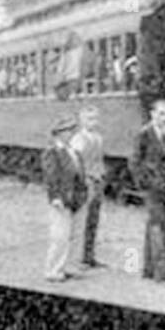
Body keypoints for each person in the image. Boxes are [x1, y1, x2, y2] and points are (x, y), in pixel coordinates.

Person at [131, 99, 165, 282]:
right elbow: (134, 162)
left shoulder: (164, 135)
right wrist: (145, 184)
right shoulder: (145, 134)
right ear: (152, 114)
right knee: (158, 226)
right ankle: (161, 271)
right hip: (153, 188)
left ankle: (148, 269)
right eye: (161, 113)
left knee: (156, 224)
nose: (164, 118)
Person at [42, 115, 87, 282]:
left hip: (78, 199)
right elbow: (50, 176)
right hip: (62, 199)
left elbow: (80, 175)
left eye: (72, 130)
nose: (71, 133)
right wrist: (55, 197)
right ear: (58, 133)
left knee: (76, 235)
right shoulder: (52, 152)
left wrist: (84, 195)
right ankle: (53, 270)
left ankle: (71, 267)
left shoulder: (74, 152)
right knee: (60, 236)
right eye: (67, 130)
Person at [70, 106, 106, 269]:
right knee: (82, 221)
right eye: (89, 118)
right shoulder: (78, 139)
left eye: (95, 118)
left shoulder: (98, 138)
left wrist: (101, 175)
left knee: (93, 220)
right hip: (86, 183)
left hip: (97, 181)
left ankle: (89, 256)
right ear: (81, 120)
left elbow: (99, 160)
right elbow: (75, 163)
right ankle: (77, 258)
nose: (93, 122)